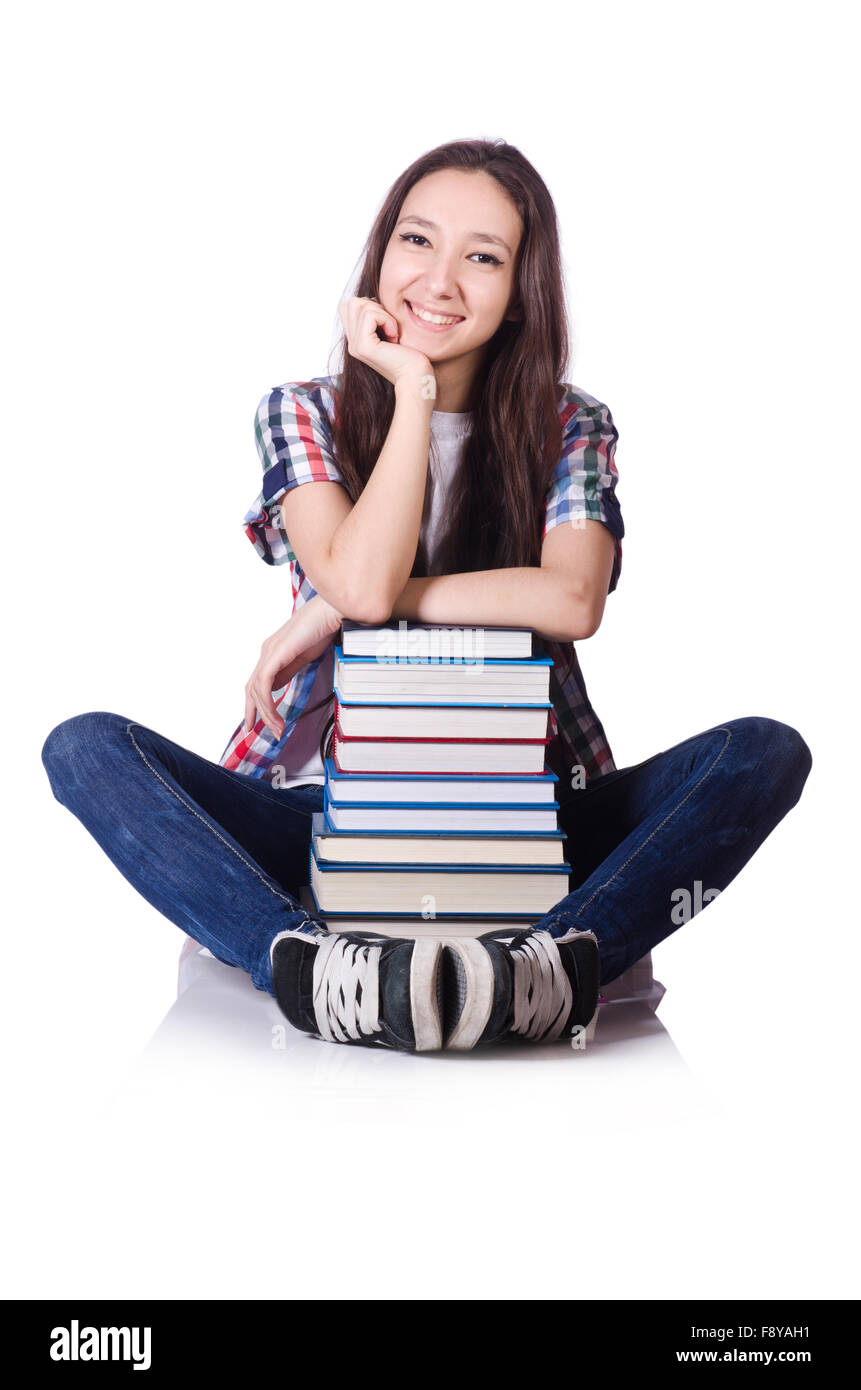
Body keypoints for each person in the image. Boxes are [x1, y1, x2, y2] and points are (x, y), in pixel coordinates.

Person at [41, 138, 812, 1055]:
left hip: (523, 813)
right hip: (327, 813)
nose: (439, 281)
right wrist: (408, 390)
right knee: (86, 748)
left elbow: (571, 599)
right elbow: (362, 579)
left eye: (482, 257)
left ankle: (545, 965)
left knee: (763, 753)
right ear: (379, 259)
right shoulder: (304, 411)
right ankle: (311, 963)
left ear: (522, 289)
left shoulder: (571, 423)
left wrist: (336, 606)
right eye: (417, 242)